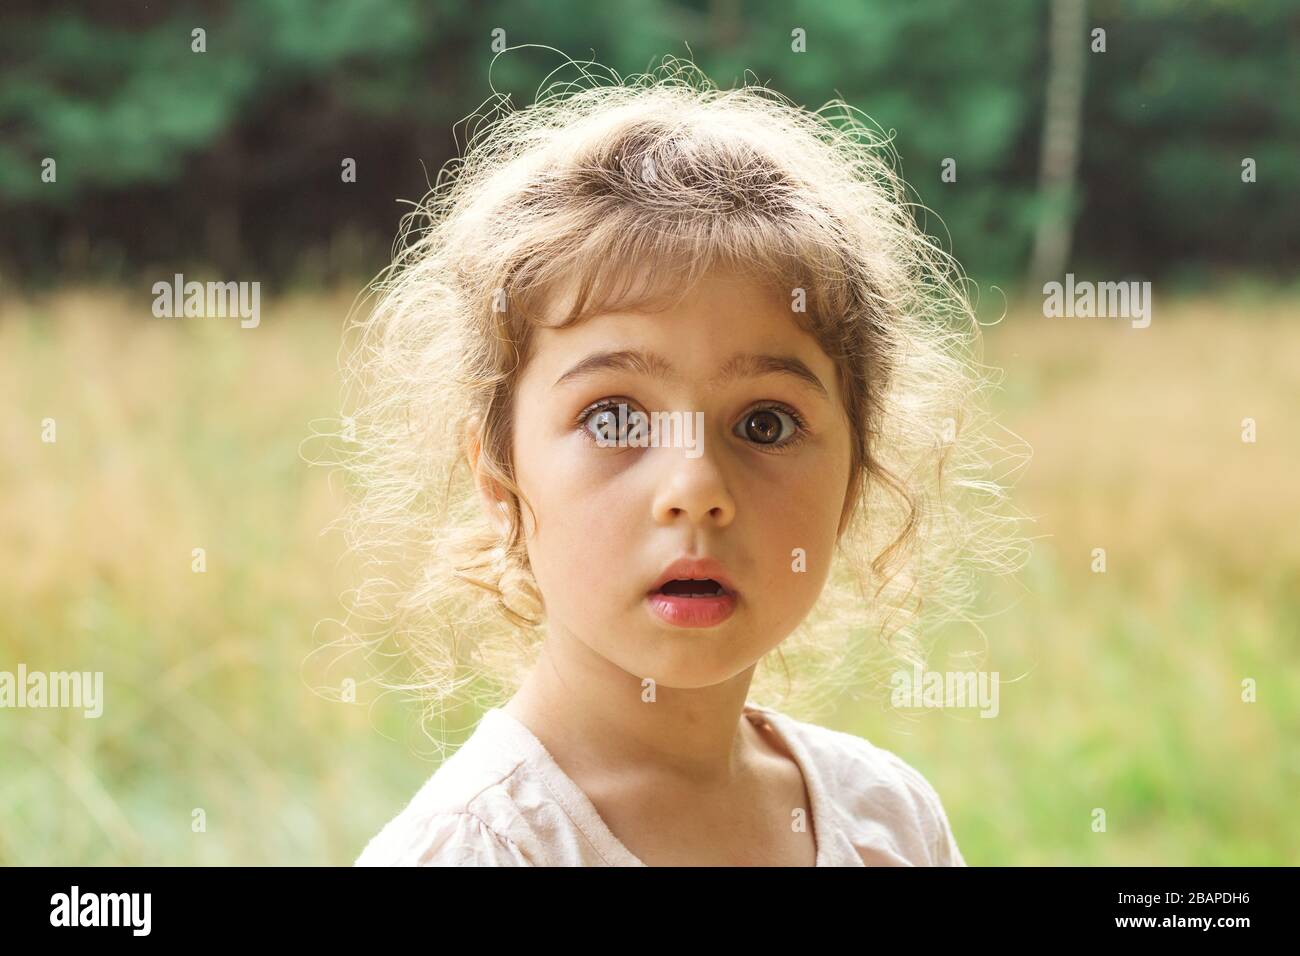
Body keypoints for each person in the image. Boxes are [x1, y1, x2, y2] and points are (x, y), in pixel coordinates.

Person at [342, 54, 1020, 866]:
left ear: (854, 479)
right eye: (615, 418)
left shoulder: (890, 822)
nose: (696, 489)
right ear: (501, 481)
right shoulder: (479, 853)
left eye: (765, 424)